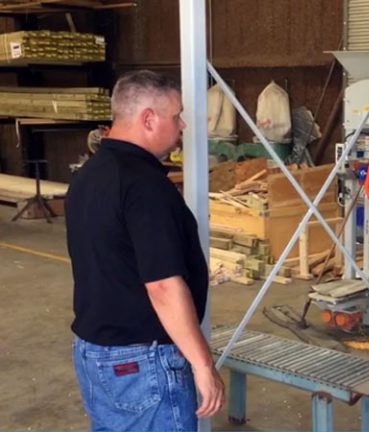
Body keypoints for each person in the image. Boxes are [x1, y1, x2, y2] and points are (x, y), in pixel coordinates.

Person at [66, 70, 225, 431]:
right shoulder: (145, 187)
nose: (183, 124)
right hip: (140, 360)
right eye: (176, 115)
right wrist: (202, 365)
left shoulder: (89, 175)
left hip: (95, 353)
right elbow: (163, 286)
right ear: (149, 119)